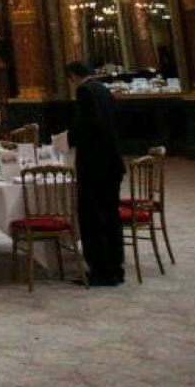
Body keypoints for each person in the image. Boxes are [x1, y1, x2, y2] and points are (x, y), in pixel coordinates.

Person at [67, 61, 126, 286]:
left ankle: (100, 271)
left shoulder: (84, 90)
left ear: (73, 77)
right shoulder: (103, 89)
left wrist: (67, 139)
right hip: (111, 163)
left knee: (93, 217)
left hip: (95, 166)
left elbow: (87, 126)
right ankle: (115, 267)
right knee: (111, 216)